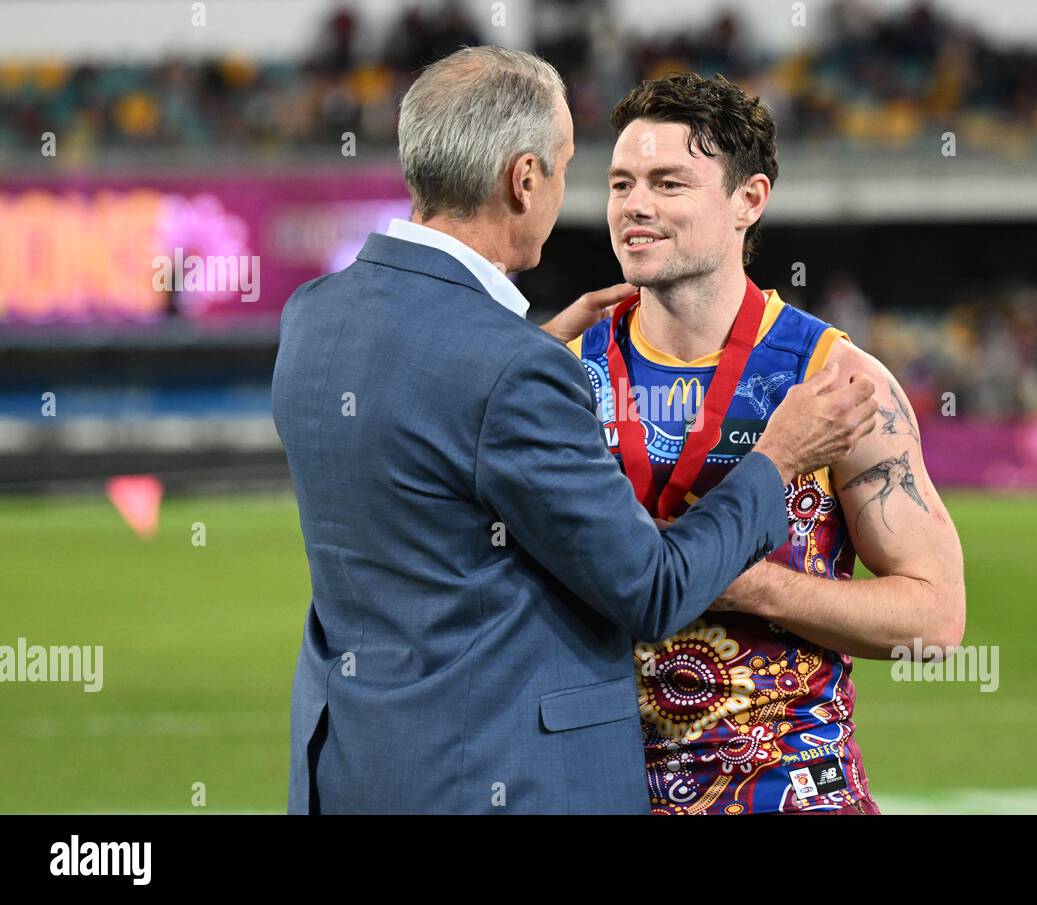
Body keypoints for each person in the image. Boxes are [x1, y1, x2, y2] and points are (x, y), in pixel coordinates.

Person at [271, 48, 879, 814]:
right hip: (490, 778)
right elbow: (652, 590)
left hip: (351, 764)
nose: (598, 200)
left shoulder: (314, 318)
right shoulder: (512, 370)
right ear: (523, 180)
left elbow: (428, 426)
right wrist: (779, 454)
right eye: (570, 169)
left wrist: (521, 357)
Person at [565, 73, 965, 814]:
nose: (635, 206)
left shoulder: (835, 380)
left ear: (748, 200)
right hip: (596, 785)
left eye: (669, 182)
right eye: (620, 183)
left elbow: (935, 621)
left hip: (790, 788)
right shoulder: (562, 376)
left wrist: (744, 583)